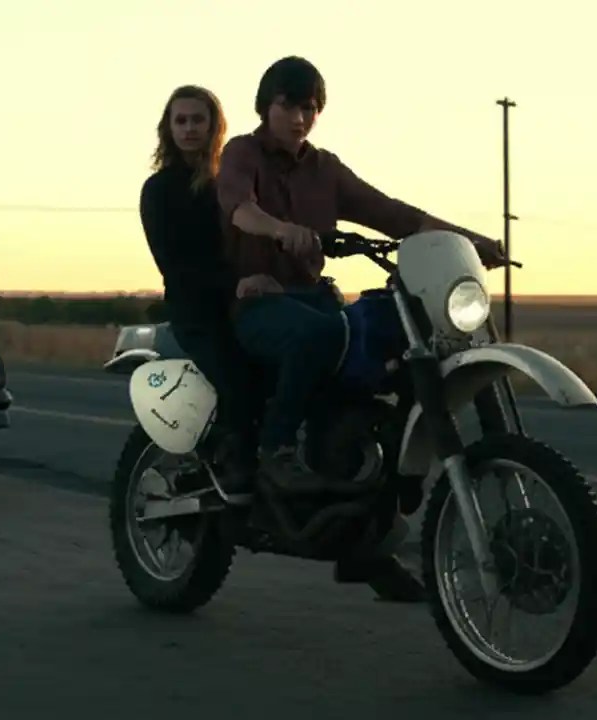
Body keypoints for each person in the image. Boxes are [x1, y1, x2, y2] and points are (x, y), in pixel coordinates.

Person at [215, 56, 508, 599]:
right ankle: (275, 450)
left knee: (391, 359)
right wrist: (283, 231)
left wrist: (473, 241)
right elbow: (239, 209)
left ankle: (370, 539)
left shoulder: (325, 169)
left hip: (313, 299)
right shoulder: (243, 153)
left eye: (309, 108)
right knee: (318, 336)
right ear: (266, 106)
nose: (299, 118)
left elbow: (395, 214)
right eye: (288, 105)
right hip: (257, 301)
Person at [138, 85, 260, 495]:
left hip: (245, 303)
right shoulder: (158, 190)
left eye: (198, 119)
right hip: (197, 311)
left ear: (214, 126)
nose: (190, 128)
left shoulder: (230, 184)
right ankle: (230, 470)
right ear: (168, 129)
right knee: (238, 381)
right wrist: (237, 283)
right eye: (181, 120)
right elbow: (174, 263)